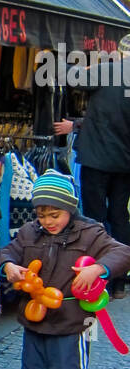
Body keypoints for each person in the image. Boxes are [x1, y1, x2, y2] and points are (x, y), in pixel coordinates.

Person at [0, 170, 130, 369]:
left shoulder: (90, 233)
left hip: (71, 325)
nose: (48, 221)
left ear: (69, 208)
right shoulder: (30, 232)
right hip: (35, 323)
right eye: (42, 214)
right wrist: (8, 267)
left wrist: (99, 269)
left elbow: (122, 253)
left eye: (54, 214)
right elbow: (7, 251)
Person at [54, 84, 130, 296]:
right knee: (119, 216)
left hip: (96, 160)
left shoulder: (103, 79)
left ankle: (97, 275)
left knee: (95, 218)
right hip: (123, 162)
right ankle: (119, 280)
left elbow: (102, 118)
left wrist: (76, 125)